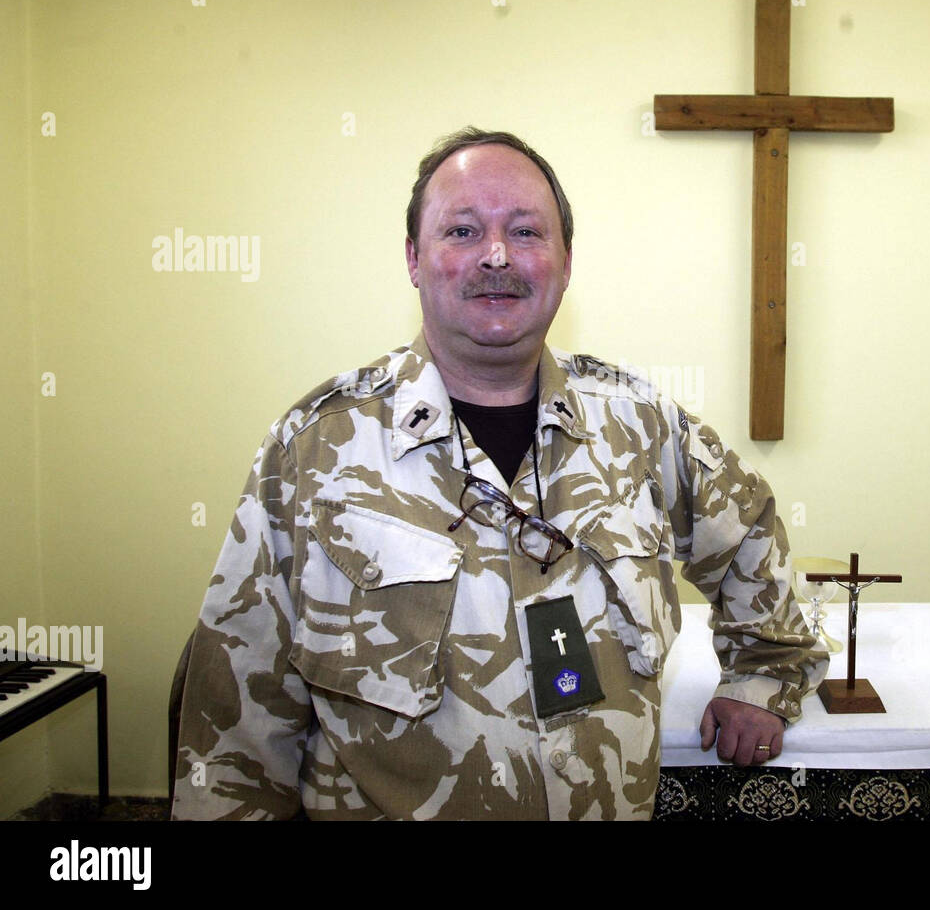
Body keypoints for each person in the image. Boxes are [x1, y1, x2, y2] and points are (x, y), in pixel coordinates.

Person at [171, 126, 828, 820]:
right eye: (460, 231)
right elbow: (236, 726)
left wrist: (762, 677)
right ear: (413, 259)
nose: (495, 256)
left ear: (565, 262)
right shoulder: (314, 451)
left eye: (525, 232)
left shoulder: (640, 425)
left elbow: (748, 527)